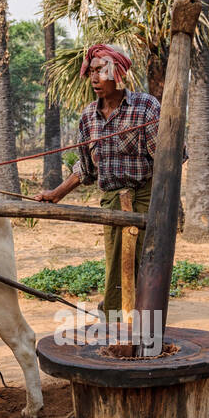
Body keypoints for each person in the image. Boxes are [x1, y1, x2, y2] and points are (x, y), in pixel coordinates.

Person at [35, 44, 160, 315]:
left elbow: (167, 161)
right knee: (116, 262)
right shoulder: (88, 117)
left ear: (118, 73)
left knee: (142, 261)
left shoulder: (145, 107)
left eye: (101, 70)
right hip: (111, 201)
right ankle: (120, 317)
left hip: (144, 197)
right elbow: (86, 169)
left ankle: (135, 320)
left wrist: (164, 207)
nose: (94, 78)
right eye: (91, 71)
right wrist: (57, 193)